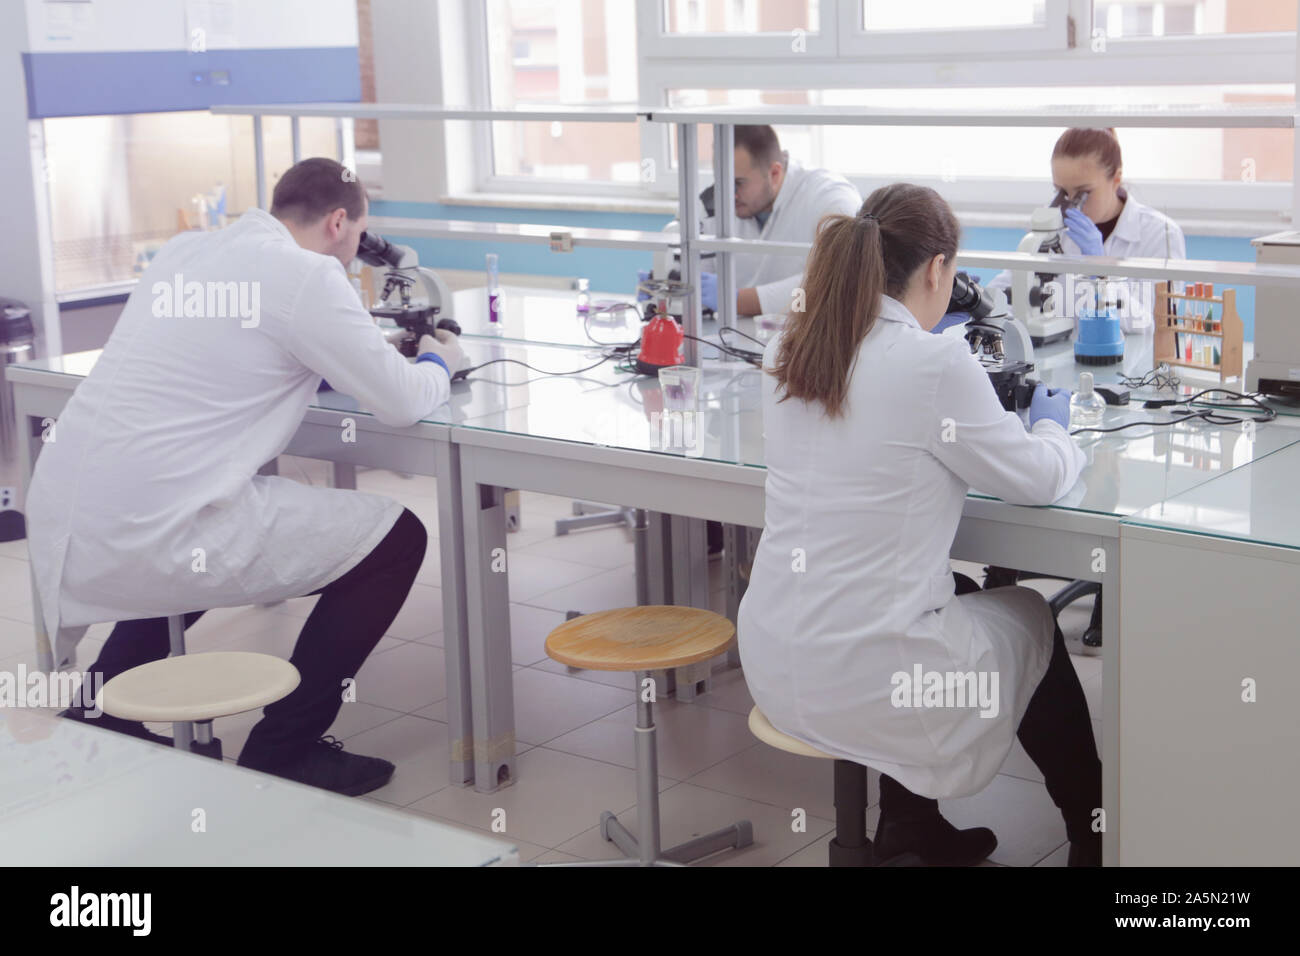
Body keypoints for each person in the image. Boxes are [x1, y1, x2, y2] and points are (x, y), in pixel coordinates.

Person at [28, 157, 466, 797]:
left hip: (72, 508)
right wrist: (439, 360)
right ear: (341, 222)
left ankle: (98, 713)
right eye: (354, 239)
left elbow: (234, 349)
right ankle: (285, 750)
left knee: (198, 534)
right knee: (396, 540)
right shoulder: (308, 274)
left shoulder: (186, 252)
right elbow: (401, 402)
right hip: (155, 524)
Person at [737, 184, 1102, 866]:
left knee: (953, 598)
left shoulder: (793, 347)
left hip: (775, 661)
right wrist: (1054, 421)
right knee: (1031, 617)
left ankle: (909, 829)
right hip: (879, 683)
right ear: (937, 270)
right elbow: (1038, 478)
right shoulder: (935, 362)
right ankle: (1095, 832)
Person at [989, 126, 1187, 333]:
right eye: (1061, 192)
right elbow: (1005, 292)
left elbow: (1151, 323)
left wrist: (1101, 273)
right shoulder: (1056, 231)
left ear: (1116, 179)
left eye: (1083, 193)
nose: (1071, 204)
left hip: (1130, 362)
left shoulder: (1160, 234)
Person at [702, 124, 862, 316]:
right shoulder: (711, 205)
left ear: (774, 174)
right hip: (739, 334)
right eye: (721, 182)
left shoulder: (831, 197)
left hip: (810, 338)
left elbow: (842, 279)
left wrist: (739, 301)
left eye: (738, 183)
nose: (728, 195)